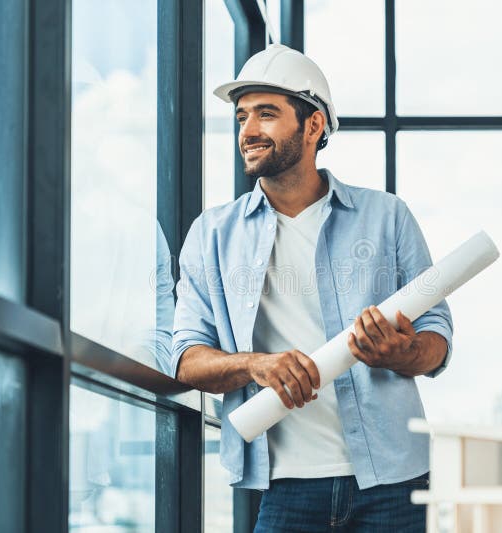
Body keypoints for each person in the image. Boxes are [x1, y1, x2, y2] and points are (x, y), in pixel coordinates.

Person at [168, 44, 453, 532]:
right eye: (241, 117)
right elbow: (185, 358)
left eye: (266, 114)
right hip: (286, 487)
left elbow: (438, 343)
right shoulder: (212, 235)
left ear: (313, 125)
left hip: (394, 483)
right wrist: (255, 365)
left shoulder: (387, 218)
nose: (248, 131)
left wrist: (398, 352)